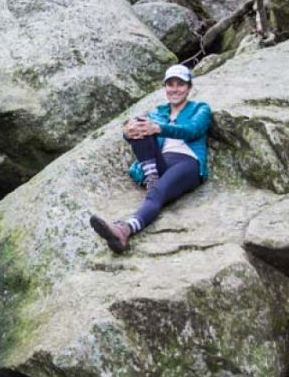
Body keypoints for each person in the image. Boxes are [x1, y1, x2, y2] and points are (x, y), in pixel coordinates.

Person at [90, 63, 212, 253]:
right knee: (138, 124)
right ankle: (151, 177)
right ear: (165, 88)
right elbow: (138, 132)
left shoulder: (200, 108)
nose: (175, 89)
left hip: (187, 163)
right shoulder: (157, 112)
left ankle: (124, 229)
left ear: (189, 87)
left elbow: (193, 130)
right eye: (170, 84)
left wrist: (159, 128)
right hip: (160, 162)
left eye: (180, 84)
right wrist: (127, 131)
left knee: (156, 194)